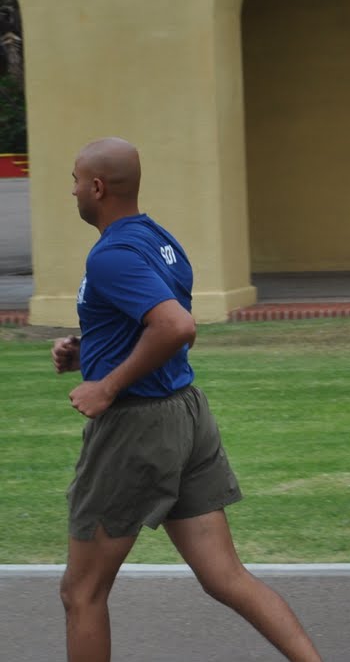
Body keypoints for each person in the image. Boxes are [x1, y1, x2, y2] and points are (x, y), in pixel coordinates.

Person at [53, 137, 322, 662]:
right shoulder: (158, 239)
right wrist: (90, 354)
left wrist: (106, 385)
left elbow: (177, 327)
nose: (74, 191)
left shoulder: (110, 255)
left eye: (75, 180)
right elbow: (150, 325)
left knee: (80, 592)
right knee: (225, 576)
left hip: (136, 431)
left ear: (98, 187)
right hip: (185, 416)